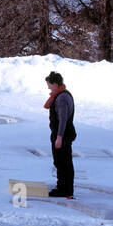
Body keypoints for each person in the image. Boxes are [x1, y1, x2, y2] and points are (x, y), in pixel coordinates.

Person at [44, 70, 76, 198]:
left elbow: (63, 120)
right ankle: (65, 188)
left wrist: (59, 138)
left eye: (49, 84)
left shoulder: (62, 98)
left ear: (55, 84)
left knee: (62, 162)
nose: (48, 87)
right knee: (64, 162)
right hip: (63, 134)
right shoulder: (63, 94)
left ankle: (63, 189)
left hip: (62, 135)